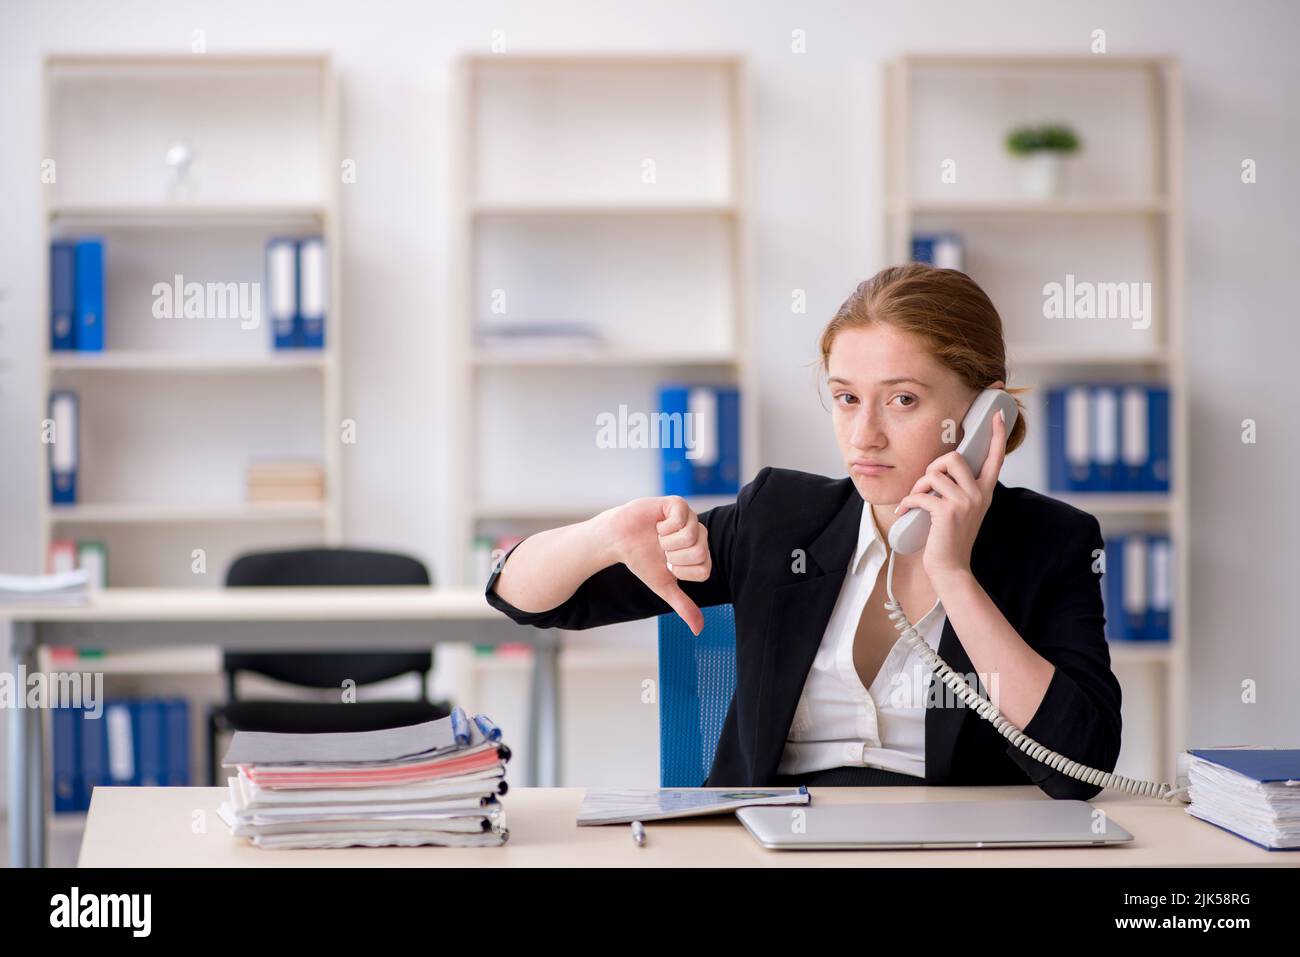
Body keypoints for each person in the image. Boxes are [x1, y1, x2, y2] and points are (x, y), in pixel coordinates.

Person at [485, 262, 1121, 799]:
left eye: (902, 400)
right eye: (846, 398)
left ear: (987, 415)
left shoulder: (1051, 543)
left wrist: (952, 574)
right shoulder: (780, 519)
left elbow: (1081, 767)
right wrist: (603, 534)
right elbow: (523, 598)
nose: (864, 434)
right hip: (770, 848)